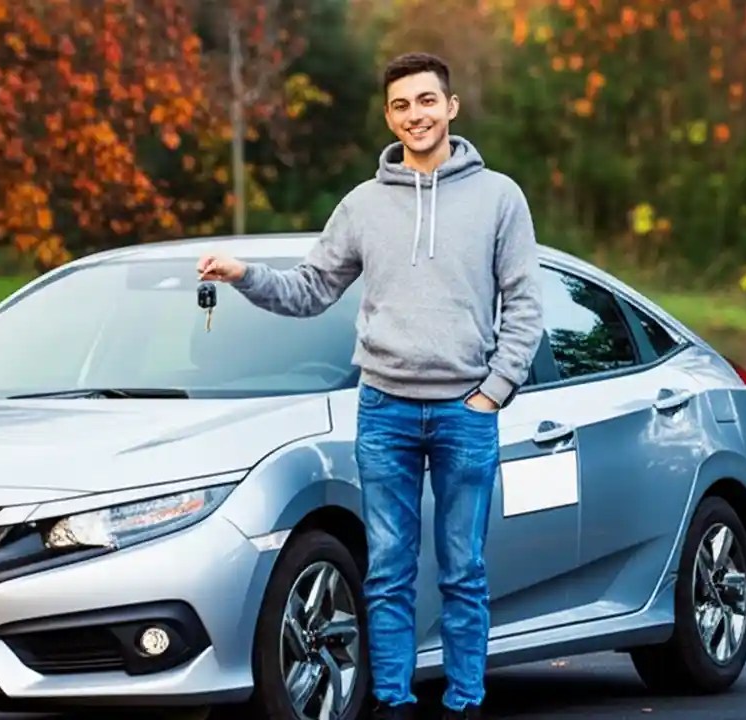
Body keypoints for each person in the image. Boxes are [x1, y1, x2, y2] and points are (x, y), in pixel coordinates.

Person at [197, 52, 544, 719]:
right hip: (383, 410)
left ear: (451, 107)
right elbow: (309, 291)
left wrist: (494, 391)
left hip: (464, 410)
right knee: (387, 571)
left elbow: (525, 305)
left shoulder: (499, 197)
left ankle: (466, 703)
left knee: (463, 571)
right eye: (401, 106)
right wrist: (244, 275)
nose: (415, 115)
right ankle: (393, 703)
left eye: (426, 101)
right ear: (389, 117)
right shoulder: (363, 205)